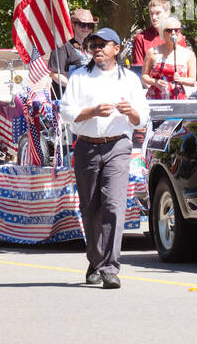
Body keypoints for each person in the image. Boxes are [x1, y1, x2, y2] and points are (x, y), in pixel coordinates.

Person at [58, 28, 150, 289]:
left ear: (116, 49)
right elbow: (66, 112)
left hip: (118, 146)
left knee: (113, 205)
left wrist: (131, 112)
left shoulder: (129, 80)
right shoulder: (79, 77)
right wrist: (92, 112)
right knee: (90, 208)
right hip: (86, 146)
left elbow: (142, 117)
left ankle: (110, 267)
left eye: (103, 44)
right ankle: (95, 260)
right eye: (93, 45)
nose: (97, 49)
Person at [143, 17, 197, 100]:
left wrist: (181, 80)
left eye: (176, 30)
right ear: (163, 32)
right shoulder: (152, 52)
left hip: (178, 97)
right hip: (156, 97)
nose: (173, 33)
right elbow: (144, 76)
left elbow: (192, 80)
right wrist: (155, 82)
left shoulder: (189, 54)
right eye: (169, 30)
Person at [49, 8, 97, 96]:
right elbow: (54, 74)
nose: (86, 28)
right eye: (82, 25)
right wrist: (75, 86)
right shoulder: (62, 45)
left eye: (90, 25)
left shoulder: (89, 46)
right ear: (73, 25)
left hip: (86, 96)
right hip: (67, 97)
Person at [130, 0, 186, 68]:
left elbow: (184, 66)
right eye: (151, 13)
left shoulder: (178, 38)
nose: (154, 17)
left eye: (158, 13)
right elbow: (139, 70)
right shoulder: (141, 39)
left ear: (167, 13)